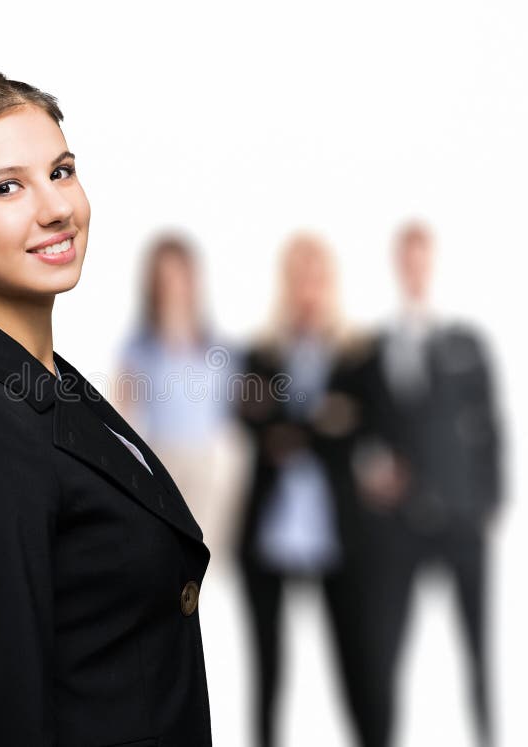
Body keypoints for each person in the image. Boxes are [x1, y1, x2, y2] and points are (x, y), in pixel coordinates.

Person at [0, 60, 213, 746]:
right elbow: (1, 723)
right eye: (6, 187)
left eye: (60, 170)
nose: (56, 206)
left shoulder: (38, 381)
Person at [324, 221, 505, 747]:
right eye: (407, 258)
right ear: (398, 264)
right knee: (386, 650)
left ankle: (488, 733)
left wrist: (490, 500)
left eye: (422, 258)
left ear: (432, 263)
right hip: (396, 522)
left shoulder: (464, 343)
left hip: (460, 513)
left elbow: (490, 427)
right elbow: (349, 422)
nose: (415, 268)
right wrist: (367, 468)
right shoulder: (372, 347)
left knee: (477, 646)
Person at [231, 232, 363, 747]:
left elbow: (357, 425)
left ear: (328, 284)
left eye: (316, 278)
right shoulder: (261, 352)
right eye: (298, 278)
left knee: (356, 662)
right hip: (270, 529)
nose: (307, 290)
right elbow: (250, 421)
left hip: (339, 532)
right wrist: (322, 421)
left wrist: (289, 426)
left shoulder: (354, 355)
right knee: (268, 670)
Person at [115, 230, 243, 571]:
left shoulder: (218, 346)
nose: (173, 287)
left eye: (179, 277)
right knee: (164, 560)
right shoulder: (139, 346)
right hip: (161, 461)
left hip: (208, 465)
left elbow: (236, 410)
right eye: (164, 278)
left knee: (201, 562)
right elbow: (121, 415)